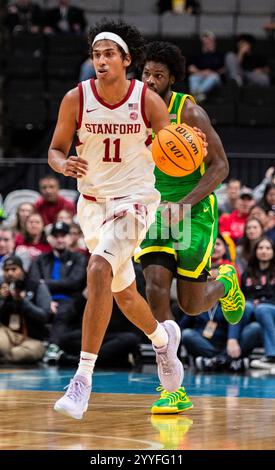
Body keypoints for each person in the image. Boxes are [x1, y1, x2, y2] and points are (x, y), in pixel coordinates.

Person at [48, 19, 184, 420]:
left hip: (135, 201)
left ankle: (81, 380)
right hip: (91, 204)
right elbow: (55, 150)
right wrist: (63, 163)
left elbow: (174, 152)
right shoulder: (76, 98)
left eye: (109, 54)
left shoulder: (148, 101)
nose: (101, 60)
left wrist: (184, 149)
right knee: (123, 293)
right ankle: (162, 341)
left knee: (98, 267)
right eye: (96, 54)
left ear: (127, 60)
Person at [135, 41, 245, 413]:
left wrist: (183, 205)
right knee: (154, 287)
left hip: (192, 208)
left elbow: (221, 167)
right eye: (146, 73)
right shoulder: (132, 112)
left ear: (171, 79)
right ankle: (172, 387)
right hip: (153, 209)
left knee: (192, 304)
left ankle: (225, 282)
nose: (150, 81)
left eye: (158, 75)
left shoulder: (189, 112)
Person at [242, 237, 275, 370]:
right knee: (253, 326)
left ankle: (272, 356)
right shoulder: (247, 273)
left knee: (263, 309)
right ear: (255, 251)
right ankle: (233, 357)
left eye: (268, 248)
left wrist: (262, 302)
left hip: (269, 310)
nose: (264, 251)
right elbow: (243, 296)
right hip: (254, 315)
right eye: (260, 248)